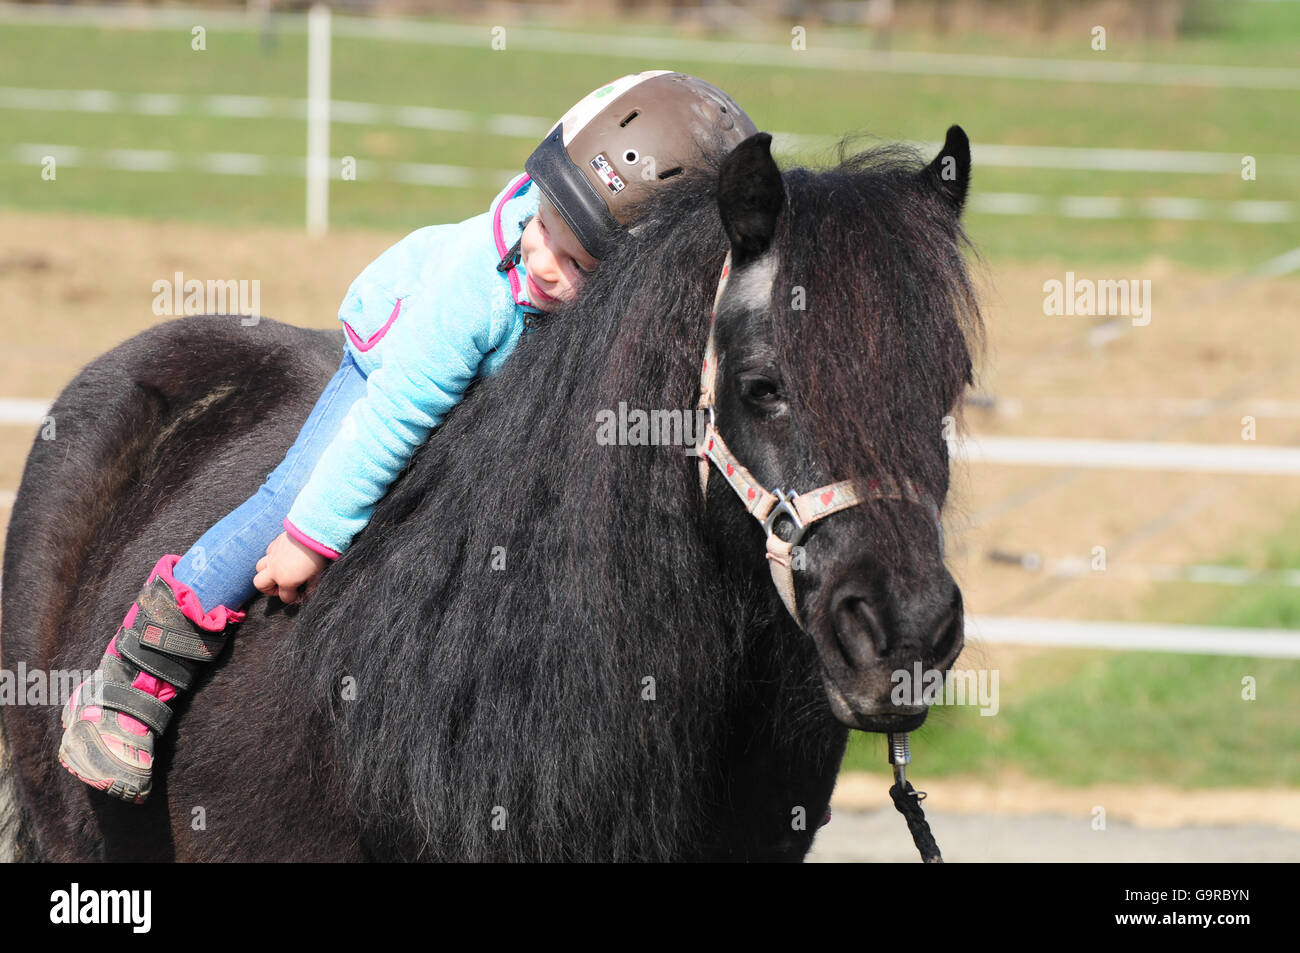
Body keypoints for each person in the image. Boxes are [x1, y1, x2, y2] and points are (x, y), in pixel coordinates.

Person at [57, 71, 758, 803]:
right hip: (397, 360)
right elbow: (394, 415)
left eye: (581, 265)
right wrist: (312, 537)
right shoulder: (477, 288)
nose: (545, 263)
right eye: (545, 224)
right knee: (288, 494)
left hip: (502, 391)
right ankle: (135, 674)